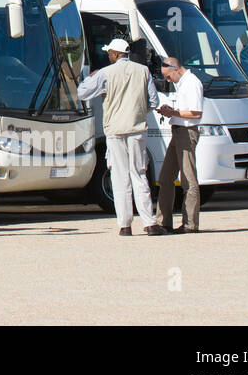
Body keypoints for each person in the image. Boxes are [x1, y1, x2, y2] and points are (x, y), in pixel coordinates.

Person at [77, 39, 164, 236]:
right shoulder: (143, 71)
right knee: (139, 174)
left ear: (116, 55)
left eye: (110, 53)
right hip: (137, 129)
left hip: (115, 130)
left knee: (119, 177)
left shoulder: (106, 73)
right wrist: (139, 111)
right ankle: (149, 223)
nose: (108, 56)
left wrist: (92, 77)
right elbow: (154, 101)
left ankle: (125, 225)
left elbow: (82, 93)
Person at [157, 56, 205, 233]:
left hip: (186, 131)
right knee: (165, 178)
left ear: (176, 69)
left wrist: (173, 112)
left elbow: (196, 113)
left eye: (168, 76)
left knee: (188, 179)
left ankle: (190, 224)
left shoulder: (192, 82)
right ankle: (163, 222)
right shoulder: (182, 83)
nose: (168, 80)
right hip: (178, 130)